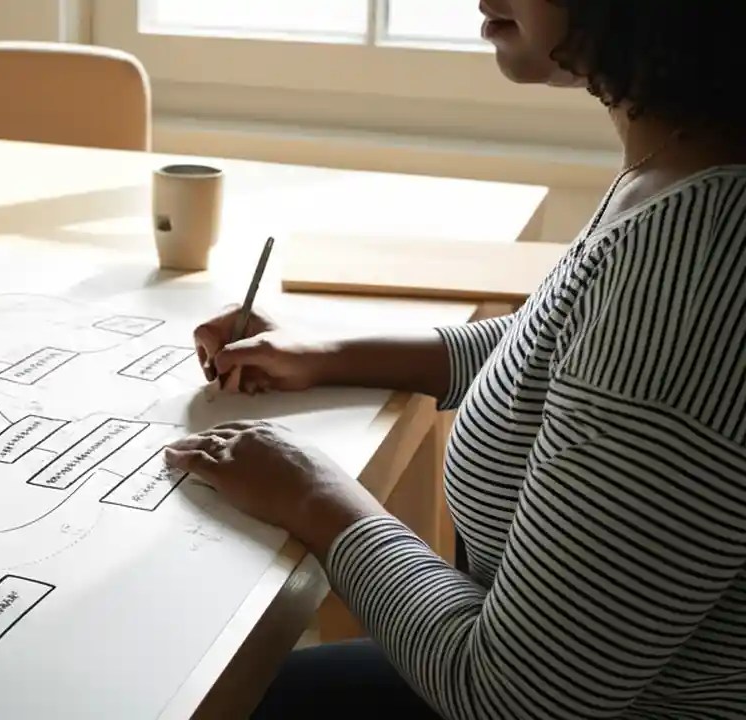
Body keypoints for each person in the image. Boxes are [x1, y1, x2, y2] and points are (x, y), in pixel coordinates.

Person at [164, 2, 746, 718]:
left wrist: (315, 495)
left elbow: (512, 697)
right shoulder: (685, 169)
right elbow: (552, 357)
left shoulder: (690, 269)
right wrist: (328, 354)